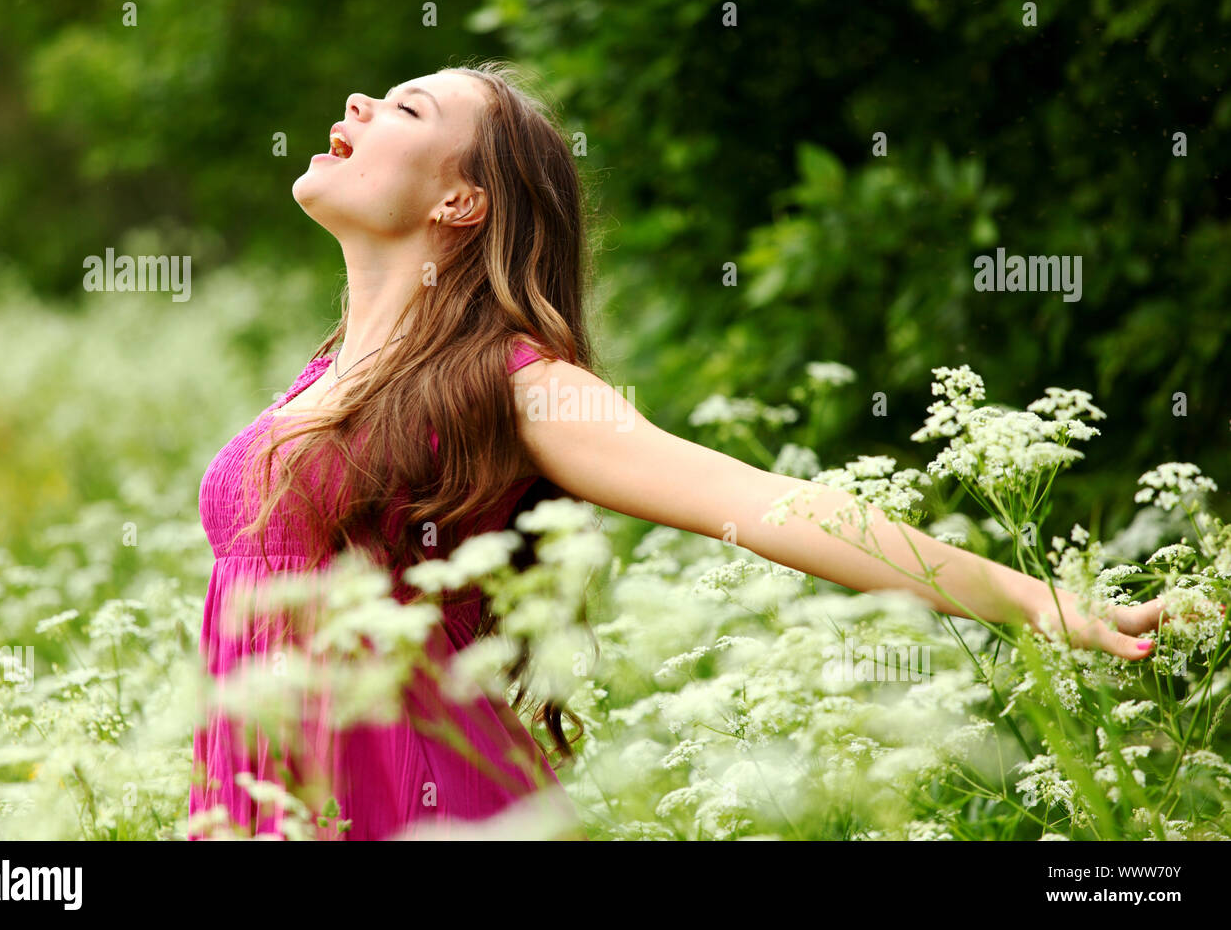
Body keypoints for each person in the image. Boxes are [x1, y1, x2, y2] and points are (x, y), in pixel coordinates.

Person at [189, 60, 1166, 841]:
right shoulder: (318, 381)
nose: (358, 99)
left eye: (404, 108)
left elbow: (772, 502)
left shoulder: (509, 381)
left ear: (461, 202)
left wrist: (1032, 599)